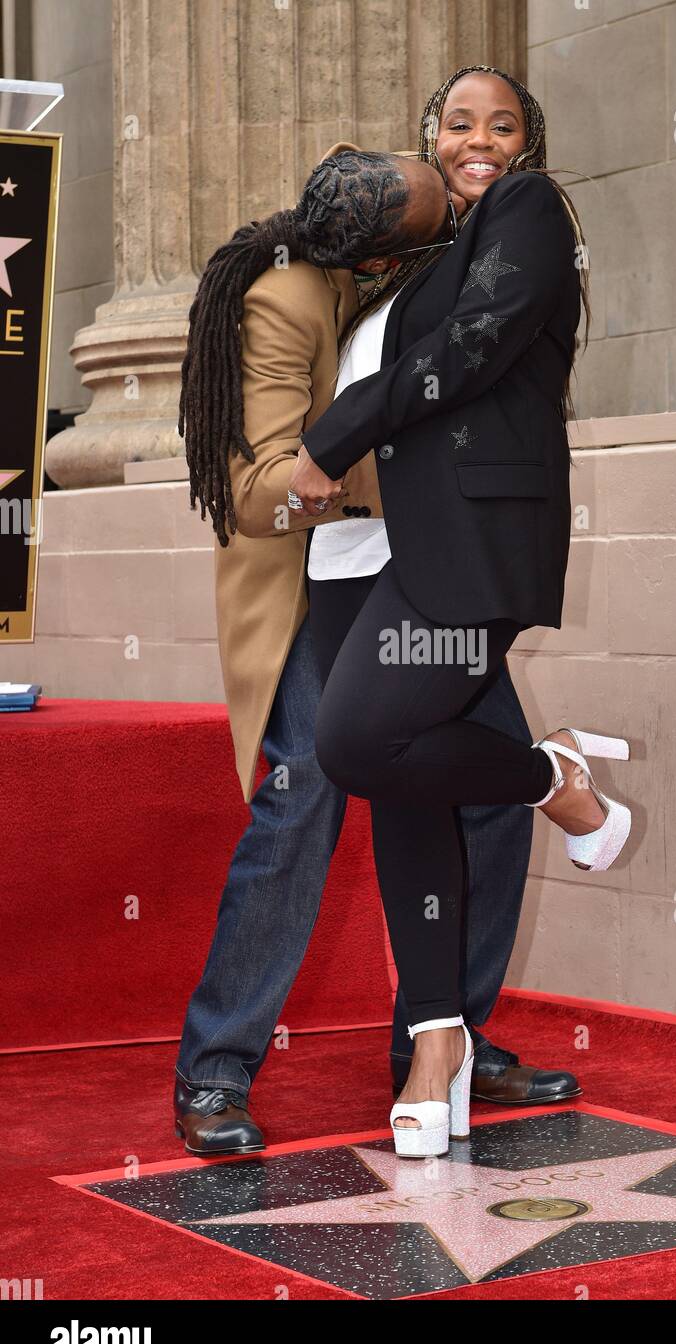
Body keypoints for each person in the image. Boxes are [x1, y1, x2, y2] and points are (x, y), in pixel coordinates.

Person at [172, 138, 580, 1158]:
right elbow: (263, 483)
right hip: (326, 595)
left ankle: (443, 1036)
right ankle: (216, 1067)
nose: (453, 199)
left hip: (431, 588)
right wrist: (382, 467)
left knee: (482, 807)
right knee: (306, 792)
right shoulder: (283, 299)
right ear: (375, 252)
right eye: (435, 197)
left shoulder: (437, 267)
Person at [289, 67, 632, 1158]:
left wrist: (334, 433)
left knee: (356, 741)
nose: (477, 140)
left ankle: (552, 779)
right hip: (360, 557)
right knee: (399, 784)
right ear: (425, 138)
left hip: (463, 548)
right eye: (456, 122)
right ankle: (436, 1040)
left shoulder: (525, 216)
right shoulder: (414, 258)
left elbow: (473, 349)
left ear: (525, 145)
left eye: (501, 125)